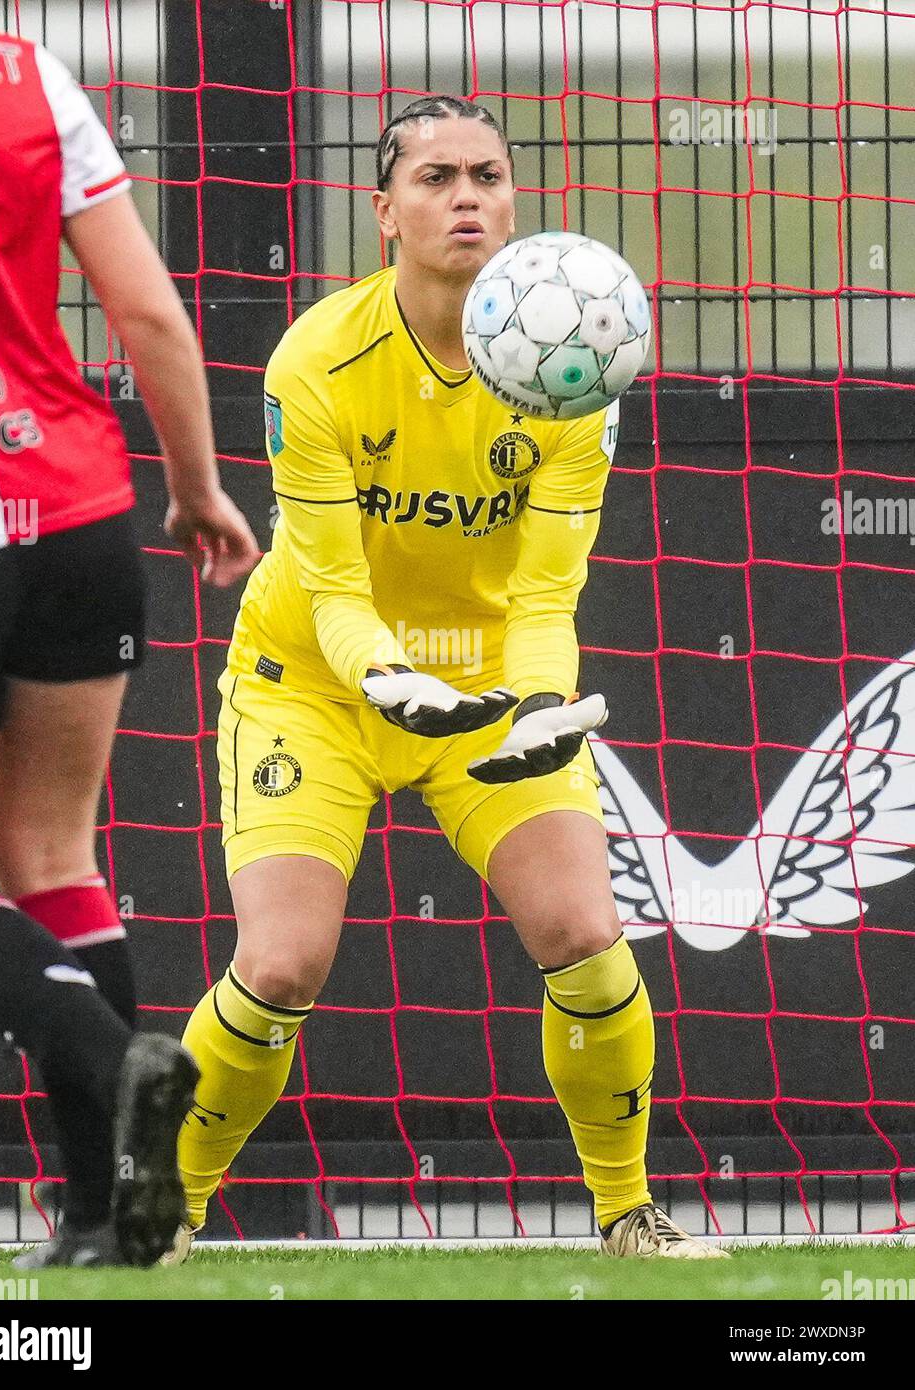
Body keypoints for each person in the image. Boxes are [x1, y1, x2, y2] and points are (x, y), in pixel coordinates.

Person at [169, 96, 727, 1260]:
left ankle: (629, 1213)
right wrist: (382, 675)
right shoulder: (317, 357)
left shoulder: (576, 359)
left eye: (487, 173)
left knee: (582, 927)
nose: (466, 195)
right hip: (311, 684)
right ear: (383, 212)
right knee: (281, 962)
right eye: (435, 178)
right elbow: (327, 585)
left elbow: (543, 590)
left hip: (480, 694)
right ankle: (156, 1207)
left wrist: (533, 706)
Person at [0, 7, 259, 1266]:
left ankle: (108, 1052)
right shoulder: (23, 72)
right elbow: (151, 316)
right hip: (76, 507)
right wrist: (197, 487)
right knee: (56, 852)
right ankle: (107, 1212)